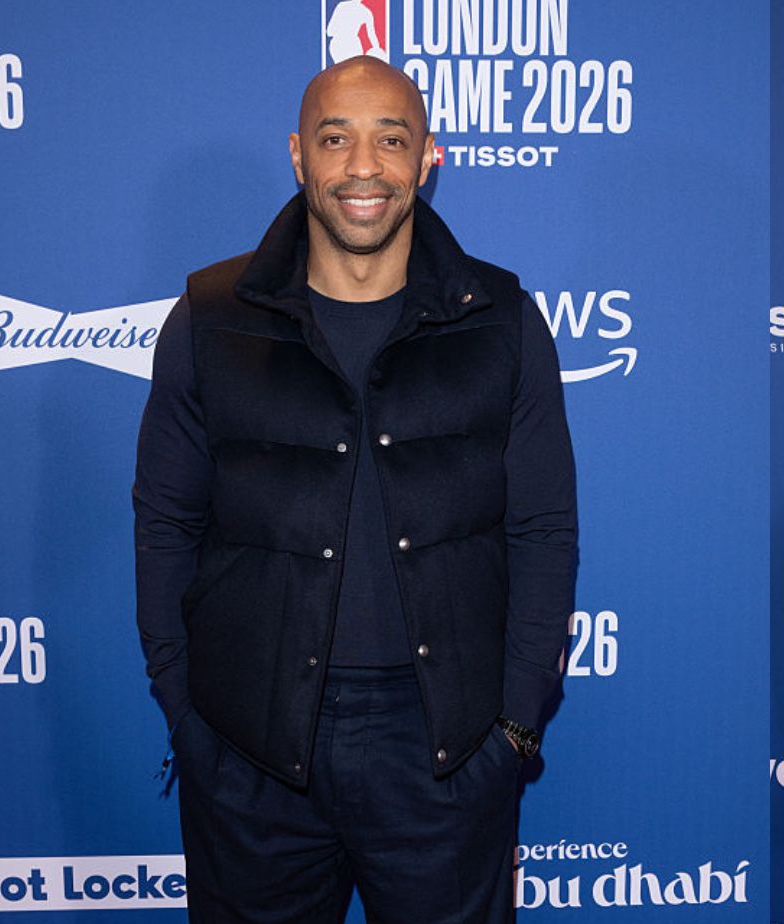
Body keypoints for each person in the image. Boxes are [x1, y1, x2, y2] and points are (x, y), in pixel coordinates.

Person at [133, 55, 577, 922]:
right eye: (336, 139)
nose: (363, 167)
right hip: (248, 749)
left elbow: (544, 532)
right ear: (299, 154)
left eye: (391, 140)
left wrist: (515, 729)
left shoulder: (501, 321)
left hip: (446, 751)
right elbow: (164, 525)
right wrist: (189, 715)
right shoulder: (210, 319)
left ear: (428, 157)